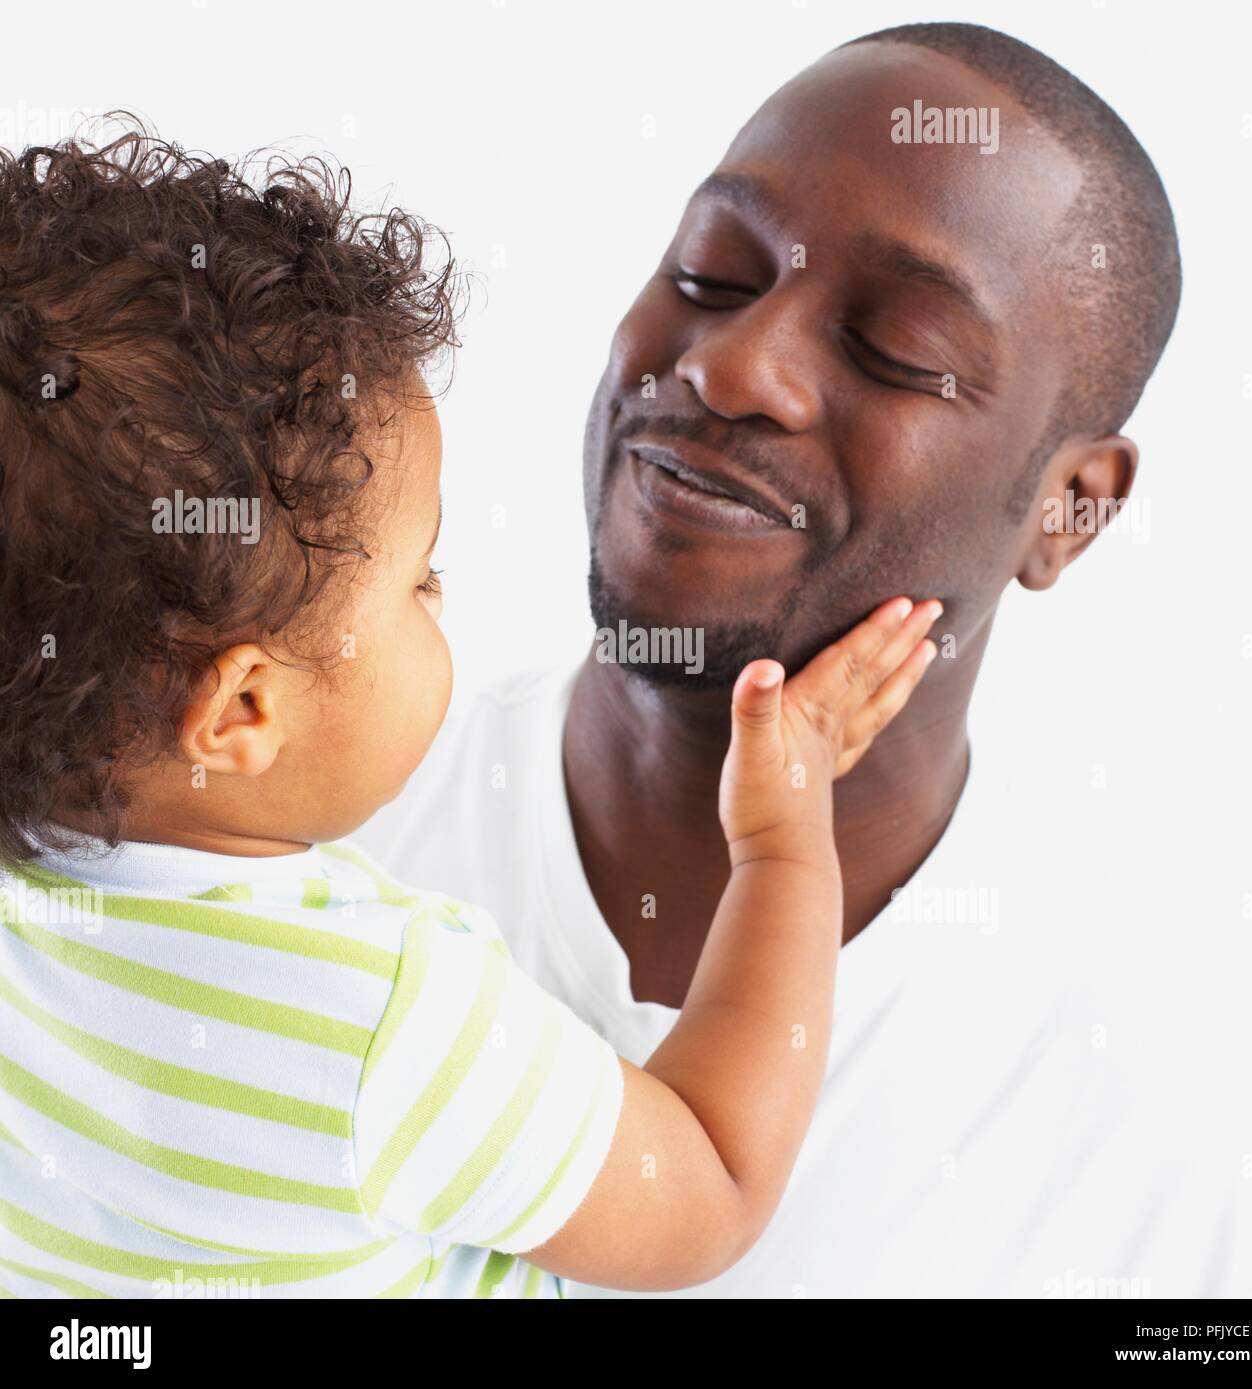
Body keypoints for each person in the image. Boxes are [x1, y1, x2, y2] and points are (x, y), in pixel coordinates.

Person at [356, 24, 1247, 1296]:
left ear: (1069, 508)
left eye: (898, 354)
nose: (727, 367)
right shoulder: (238, 838)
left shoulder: (1116, 1169)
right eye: (714, 274)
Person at [0, 124, 944, 1298]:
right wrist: (782, 838)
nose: (445, 601)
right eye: (419, 581)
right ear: (243, 710)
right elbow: (709, 1183)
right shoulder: (388, 1028)